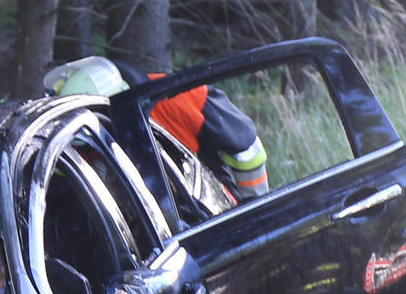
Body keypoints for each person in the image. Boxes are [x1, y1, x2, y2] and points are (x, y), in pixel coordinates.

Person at [42, 56, 271, 200]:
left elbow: (246, 148)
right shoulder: (75, 138)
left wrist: (254, 207)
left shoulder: (180, 97)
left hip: (211, 206)